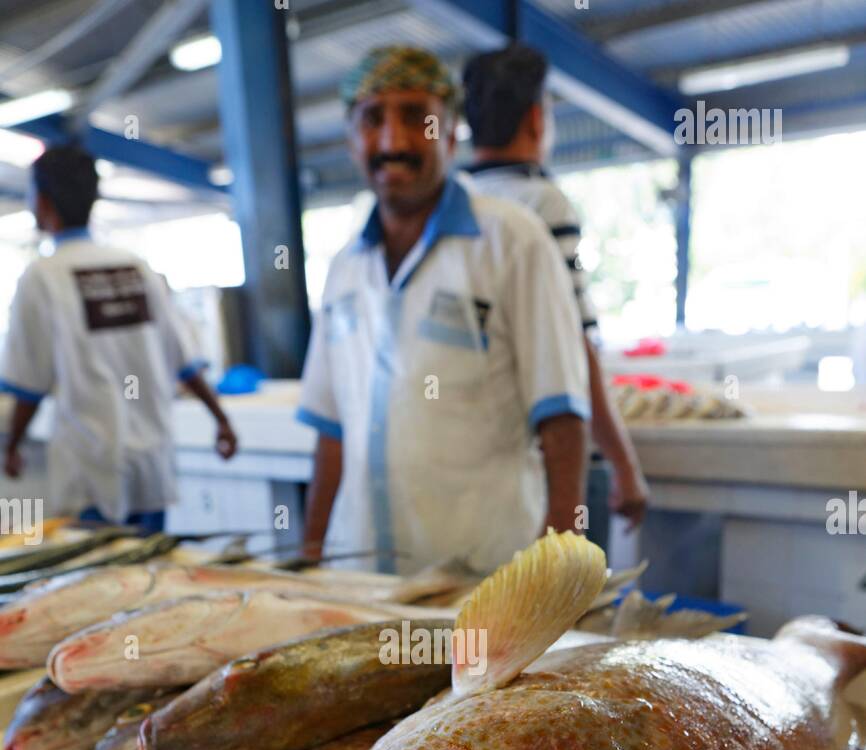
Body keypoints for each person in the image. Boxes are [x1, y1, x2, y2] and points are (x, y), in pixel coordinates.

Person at [297, 45, 591, 575]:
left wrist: (556, 576)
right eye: (372, 120)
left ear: (451, 132)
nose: (393, 141)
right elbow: (332, 431)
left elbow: (563, 417)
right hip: (357, 577)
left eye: (417, 118)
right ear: (350, 138)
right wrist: (310, 562)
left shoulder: (512, 240)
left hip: (480, 580)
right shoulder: (344, 266)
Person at [463, 42, 650, 547]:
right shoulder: (542, 203)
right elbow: (573, 347)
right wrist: (624, 465)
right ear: (535, 120)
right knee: (563, 606)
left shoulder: (455, 204)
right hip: (543, 459)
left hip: (472, 461)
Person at [1, 143, 238, 533]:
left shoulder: (43, 277)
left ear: (42, 201)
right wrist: (222, 420)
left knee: (103, 584)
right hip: (149, 464)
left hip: (91, 471)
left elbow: (29, 385)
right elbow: (184, 362)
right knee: (146, 576)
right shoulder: (136, 268)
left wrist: (12, 445)